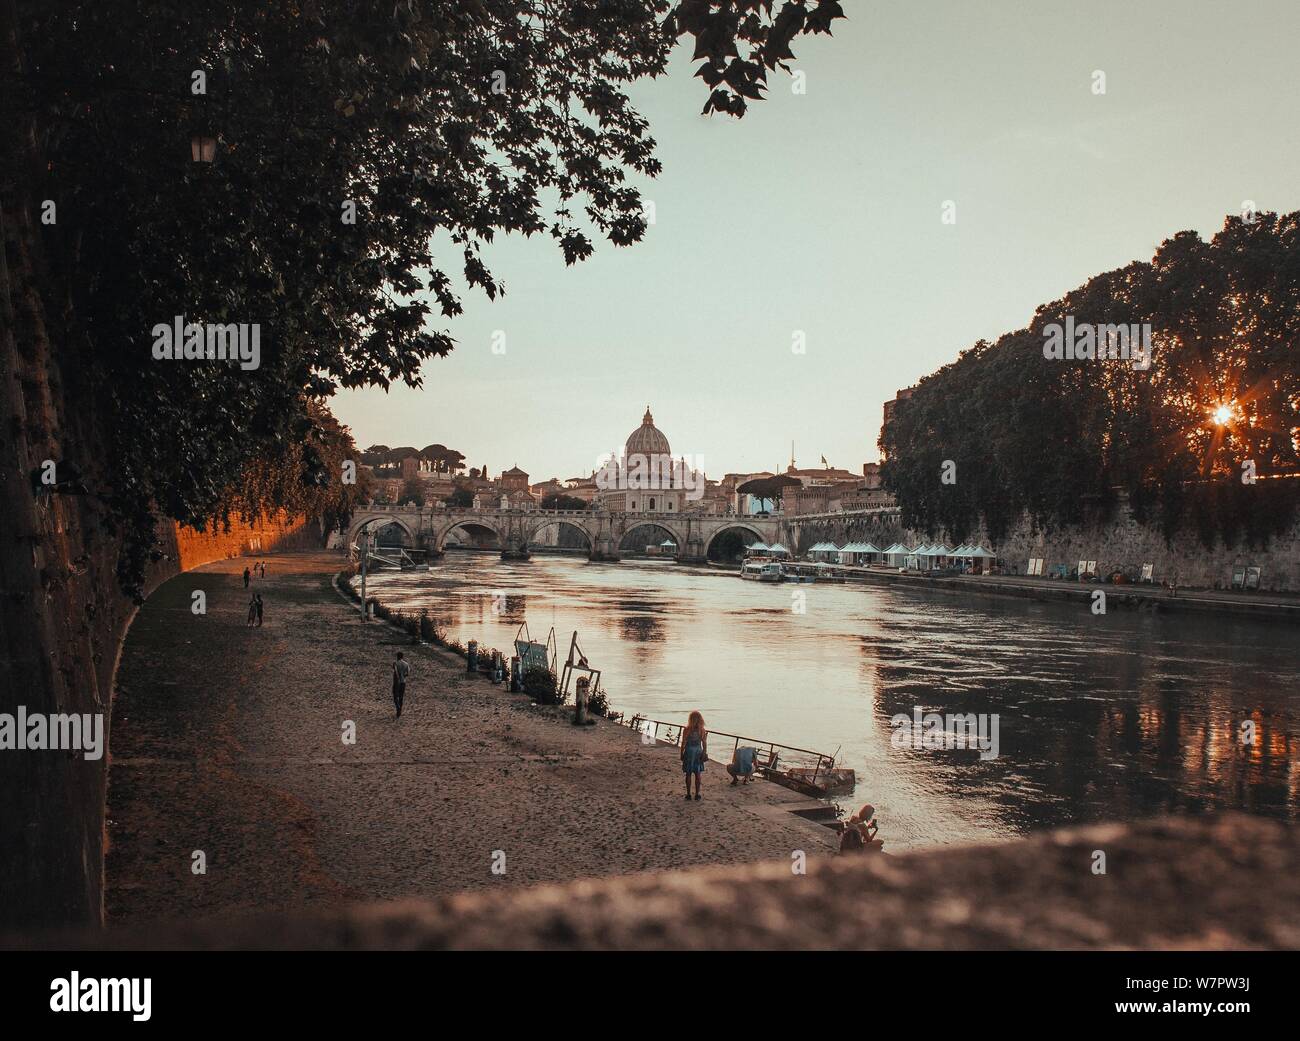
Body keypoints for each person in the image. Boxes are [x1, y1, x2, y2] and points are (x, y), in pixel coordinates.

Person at [680, 710, 708, 800]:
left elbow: (683, 742)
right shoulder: (702, 730)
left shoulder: (687, 729)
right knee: (698, 773)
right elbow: (704, 743)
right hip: (698, 752)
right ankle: (697, 794)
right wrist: (704, 753)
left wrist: (681, 753)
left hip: (689, 752)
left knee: (688, 774)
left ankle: (688, 794)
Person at [392, 651, 410, 719]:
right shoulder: (406, 664)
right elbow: (408, 673)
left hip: (397, 682)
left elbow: (396, 671)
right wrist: (403, 676)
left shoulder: (395, 663)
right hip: (403, 682)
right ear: (402, 657)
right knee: (401, 696)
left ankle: (398, 708)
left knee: (395, 696)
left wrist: (398, 678)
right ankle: (400, 710)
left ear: (397, 656)